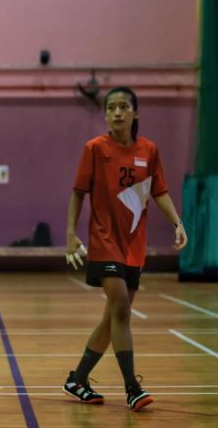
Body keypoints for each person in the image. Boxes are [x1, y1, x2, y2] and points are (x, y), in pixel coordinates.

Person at [63, 86, 188, 411]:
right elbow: (78, 192)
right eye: (112, 107)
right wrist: (70, 234)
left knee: (112, 317)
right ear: (105, 115)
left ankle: (77, 379)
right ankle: (132, 387)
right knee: (120, 307)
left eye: (123, 107)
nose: (117, 112)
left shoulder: (149, 150)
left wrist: (177, 223)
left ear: (135, 113)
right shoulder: (95, 148)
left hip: (134, 243)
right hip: (104, 242)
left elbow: (159, 191)